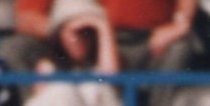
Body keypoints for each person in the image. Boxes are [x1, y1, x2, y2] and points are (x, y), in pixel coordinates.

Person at [13, 0, 197, 73]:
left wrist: (181, 23)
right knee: (18, 48)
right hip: (85, 39)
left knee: (179, 48)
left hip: (148, 41)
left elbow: (185, 11)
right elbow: (27, 17)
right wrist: (66, 30)